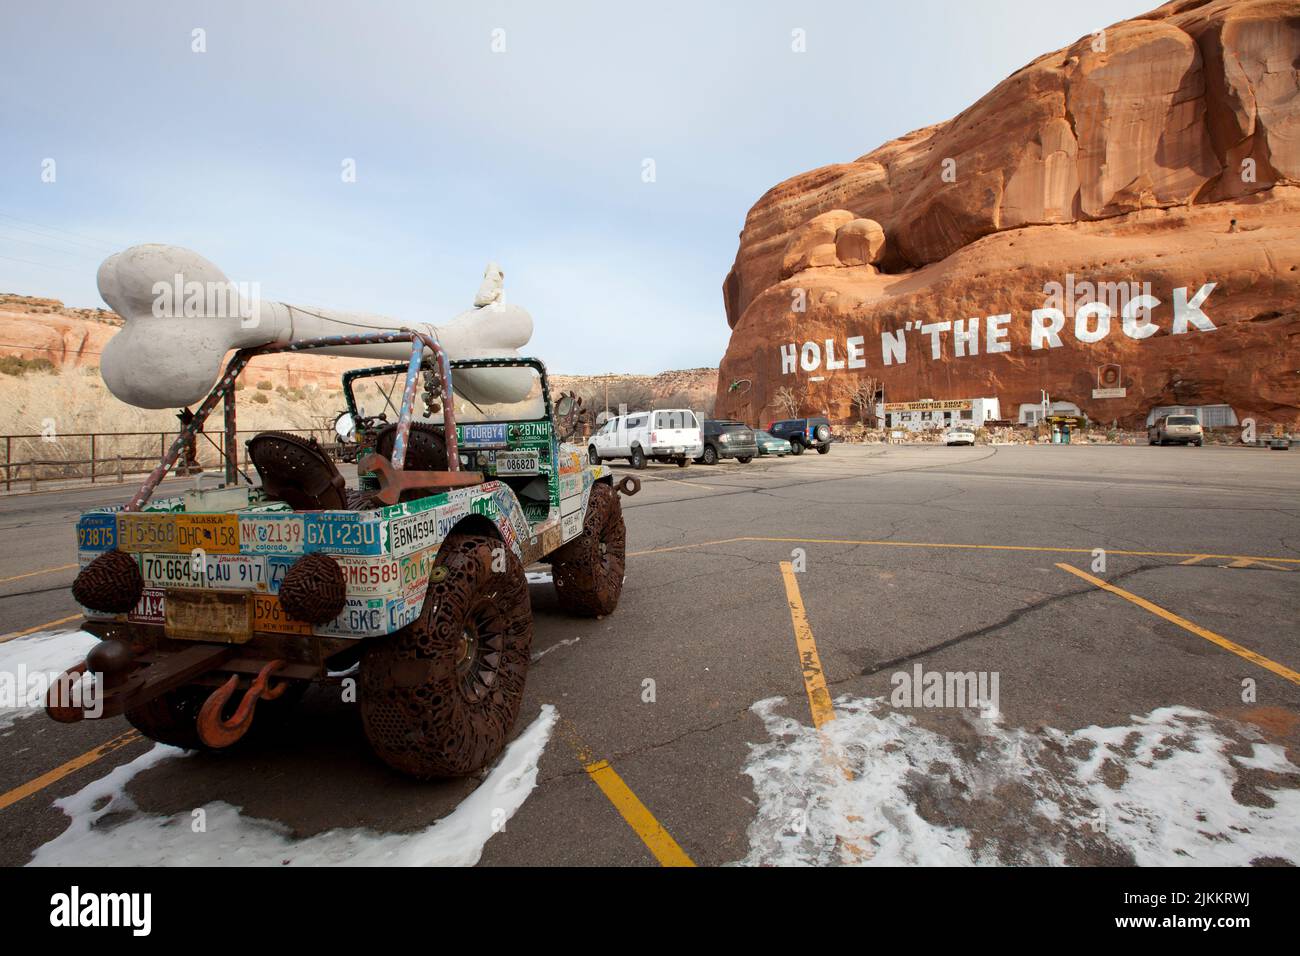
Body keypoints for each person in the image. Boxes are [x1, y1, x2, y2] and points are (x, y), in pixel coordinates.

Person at [176, 408, 200, 474]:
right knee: (187, 450)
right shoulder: (186, 432)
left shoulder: (190, 432)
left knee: (189, 449)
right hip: (187, 442)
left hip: (189, 444)